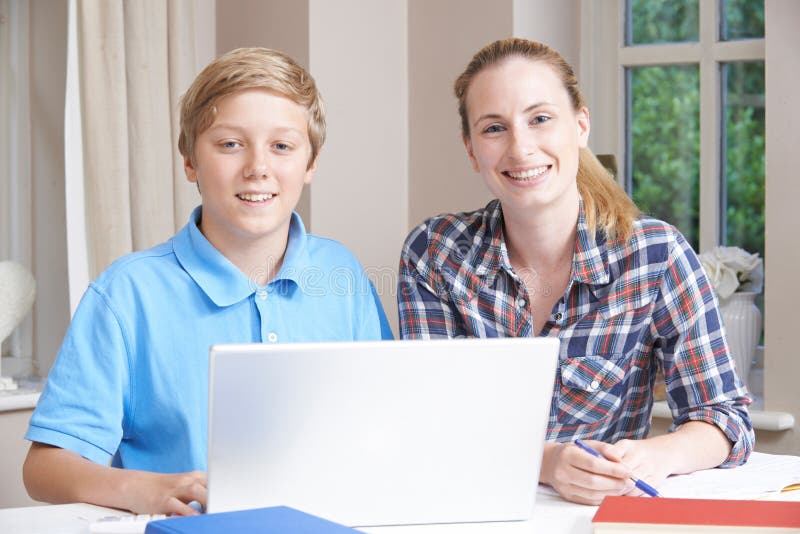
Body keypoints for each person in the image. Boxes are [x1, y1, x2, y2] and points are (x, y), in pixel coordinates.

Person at [23, 47, 392, 515]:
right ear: (190, 162)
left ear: (311, 163)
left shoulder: (342, 274)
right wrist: (143, 490)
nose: (258, 166)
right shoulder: (127, 294)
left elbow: (384, 422)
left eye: (282, 146)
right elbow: (44, 469)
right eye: (230, 144)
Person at [397, 38, 753, 505]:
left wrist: (660, 454)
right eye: (493, 128)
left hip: (597, 520)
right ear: (471, 149)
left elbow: (726, 418)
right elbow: (430, 421)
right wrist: (547, 461)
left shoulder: (655, 254)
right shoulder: (435, 253)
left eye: (540, 118)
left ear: (580, 125)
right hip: (467, 512)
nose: (521, 148)